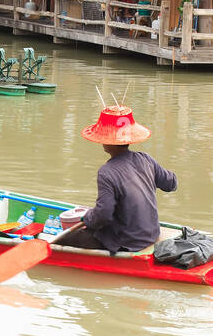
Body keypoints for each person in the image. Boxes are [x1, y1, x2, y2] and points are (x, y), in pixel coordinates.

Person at [59, 104, 177, 254]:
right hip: (152, 234)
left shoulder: (106, 172)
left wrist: (86, 218)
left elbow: (103, 215)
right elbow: (171, 184)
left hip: (128, 242)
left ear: (107, 141)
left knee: (69, 237)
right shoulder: (146, 159)